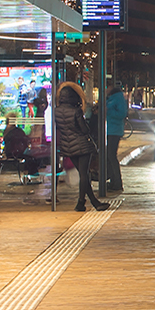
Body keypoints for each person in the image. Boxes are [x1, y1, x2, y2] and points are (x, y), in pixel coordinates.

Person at [54, 82, 108, 212]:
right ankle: (81, 202)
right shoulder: (76, 111)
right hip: (82, 145)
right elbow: (84, 129)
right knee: (84, 174)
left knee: (83, 174)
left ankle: (90, 202)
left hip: (67, 146)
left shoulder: (56, 111)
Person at [102, 85, 128, 193]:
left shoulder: (118, 98)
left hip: (114, 130)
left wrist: (108, 111)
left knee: (111, 156)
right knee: (109, 156)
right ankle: (113, 181)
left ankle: (117, 182)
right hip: (109, 130)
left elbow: (122, 113)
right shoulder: (110, 98)